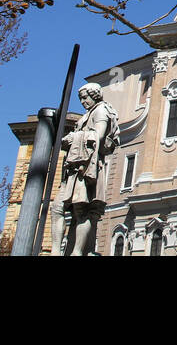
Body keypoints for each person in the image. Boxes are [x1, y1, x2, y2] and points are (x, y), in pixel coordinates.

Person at [59, 82, 118, 256]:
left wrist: (73, 137)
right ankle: (61, 250)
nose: (83, 102)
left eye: (85, 98)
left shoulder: (101, 111)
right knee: (60, 208)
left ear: (94, 96)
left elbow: (98, 136)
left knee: (82, 209)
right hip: (76, 167)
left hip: (86, 168)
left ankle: (77, 252)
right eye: (81, 99)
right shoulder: (88, 114)